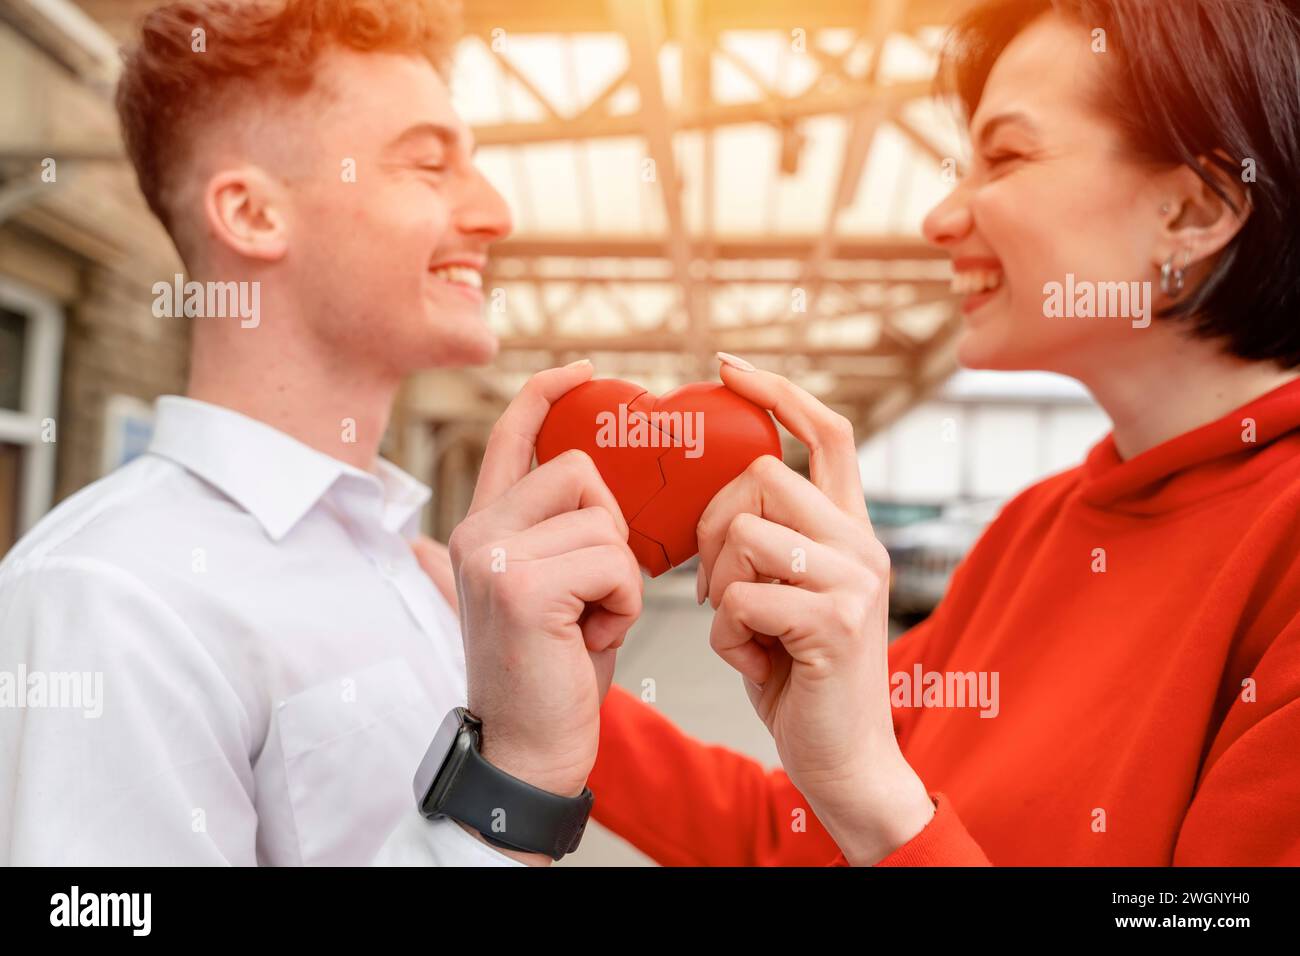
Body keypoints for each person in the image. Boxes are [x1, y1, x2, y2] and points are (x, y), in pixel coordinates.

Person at [567, 0, 1300, 865]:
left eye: (1006, 156)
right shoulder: (1035, 528)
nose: (940, 219)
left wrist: (877, 806)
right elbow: (797, 836)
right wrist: (544, 681)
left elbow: (876, 814)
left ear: (1192, 211)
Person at [0, 0, 645, 866]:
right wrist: (512, 784)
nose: (495, 212)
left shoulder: (412, 566)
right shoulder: (109, 596)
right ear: (255, 215)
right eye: (428, 164)